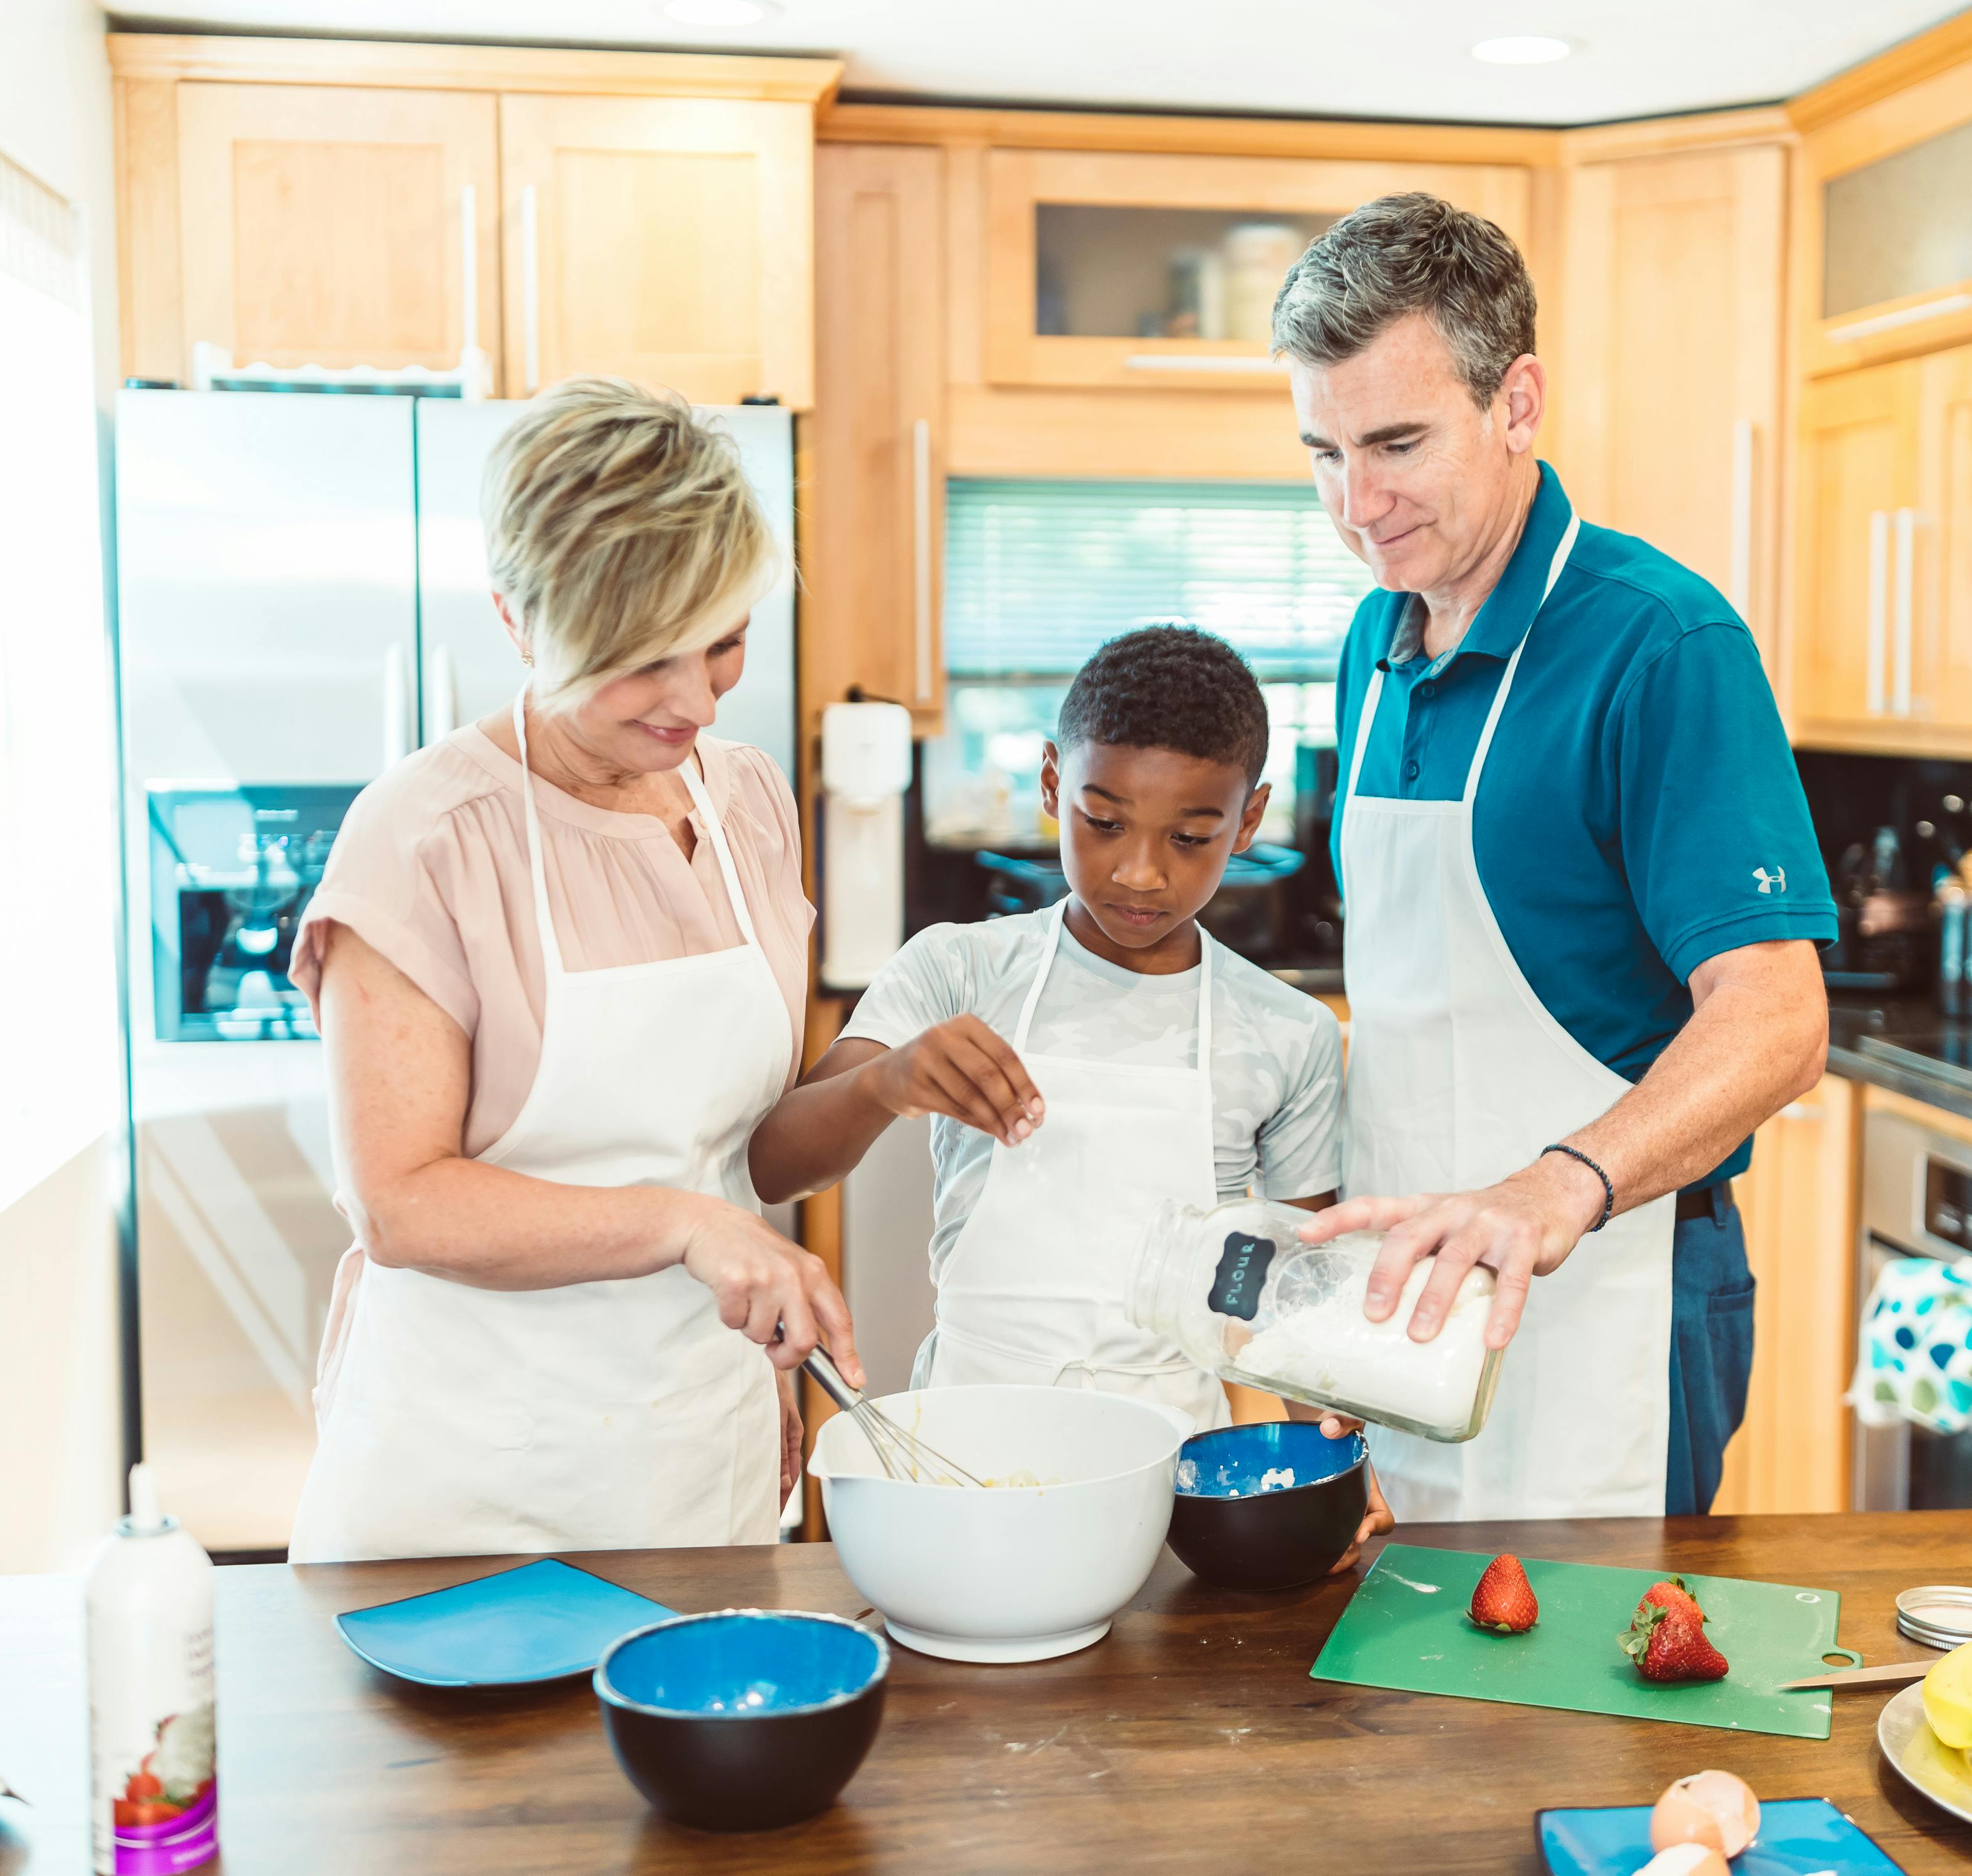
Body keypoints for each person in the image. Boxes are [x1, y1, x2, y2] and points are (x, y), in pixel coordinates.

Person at [1271, 193, 1836, 1521]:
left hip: (1610, 1299)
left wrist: (1553, 1187)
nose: (1359, 504)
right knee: (1406, 1696)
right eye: (1323, 452)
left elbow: (1779, 1020)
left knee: (1591, 1709)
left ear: (1515, 403)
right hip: (1405, 1297)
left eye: (1398, 442)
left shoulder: (1662, 646)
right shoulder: (1375, 642)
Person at [284, 378, 859, 1564]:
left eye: (725, 641)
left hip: (700, 1447)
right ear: (518, 619)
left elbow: (733, 1146)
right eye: (644, 661)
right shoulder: (426, 835)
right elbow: (399, 1202)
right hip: (475, 1479)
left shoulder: (745, 798)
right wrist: (686, 1227)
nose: (695, 699)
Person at [749, 628, 1372, 1471]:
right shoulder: (959, 968)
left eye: (1190, 838)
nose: (1141, 873)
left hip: (1170, 1460)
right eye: (1104, 822)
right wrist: (886, 1082)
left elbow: (1296, 1295)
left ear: (1249, 818)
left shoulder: (1285, 1031)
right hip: (966, 1444)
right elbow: (775, 1167)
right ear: (1052, 784)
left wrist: (1340, 1468)